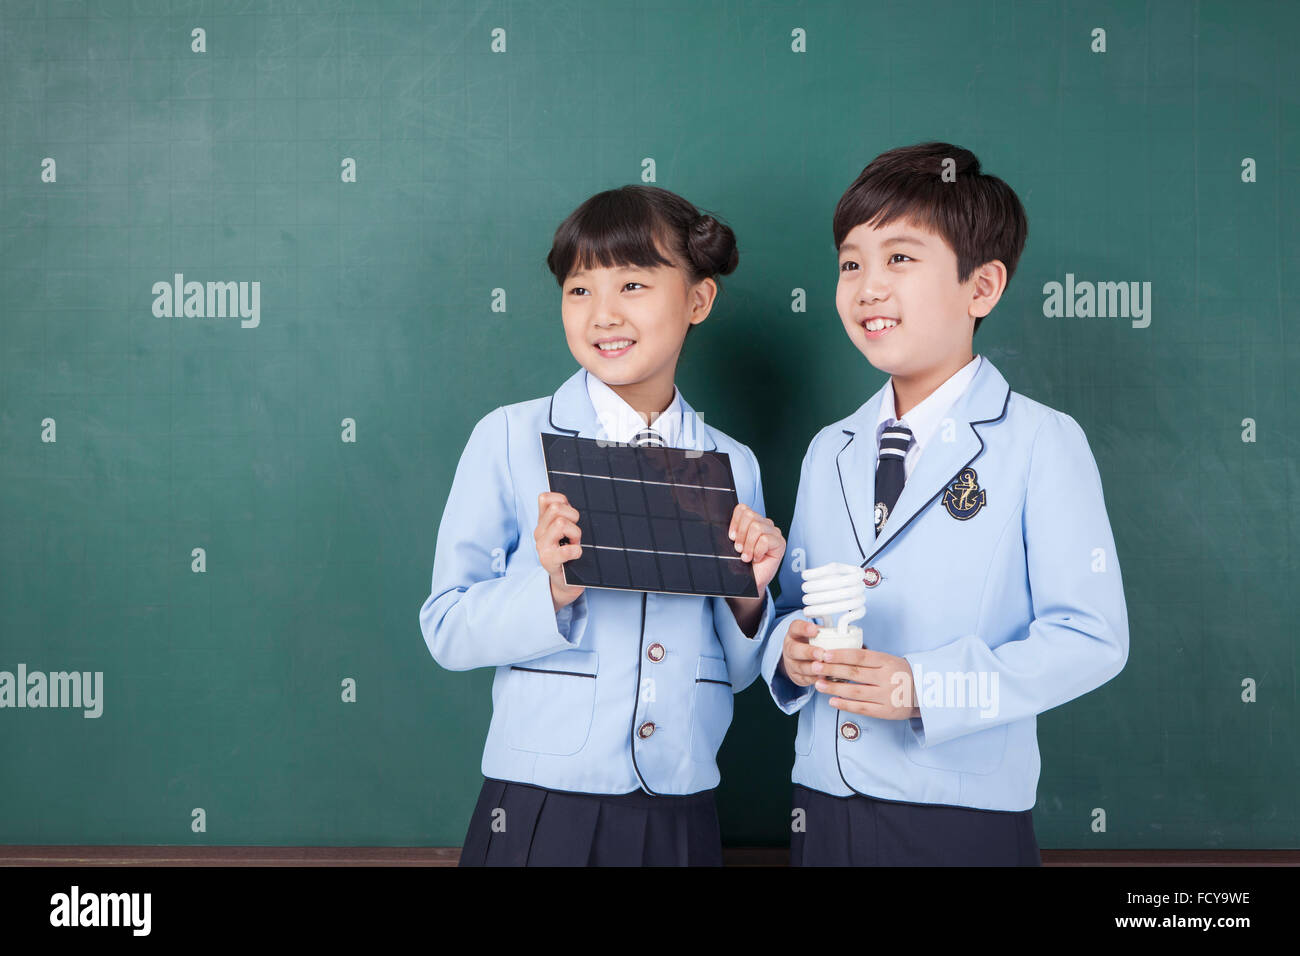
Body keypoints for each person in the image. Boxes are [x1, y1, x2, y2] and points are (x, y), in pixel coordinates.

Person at [759, 142, 1129, 866]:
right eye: (850, 263)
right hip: (821, 808)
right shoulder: (829, 447)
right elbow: (790, 607)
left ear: (982, 287)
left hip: (958, 819)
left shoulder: (1040, 441)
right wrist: (788, 651)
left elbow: (1091, 638)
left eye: (900, 259)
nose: (867, 287)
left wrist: (926, 687)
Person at [420, 184, 785, 866]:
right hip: (539, 801)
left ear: (699, 300)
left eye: (634, 284)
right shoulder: (509, 437)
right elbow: (446, 627)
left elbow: (738, 674)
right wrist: (551, 589)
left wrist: (748, 597)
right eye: (580, 290)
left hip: (681, 800)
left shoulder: (732, 462)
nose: (603, 314)